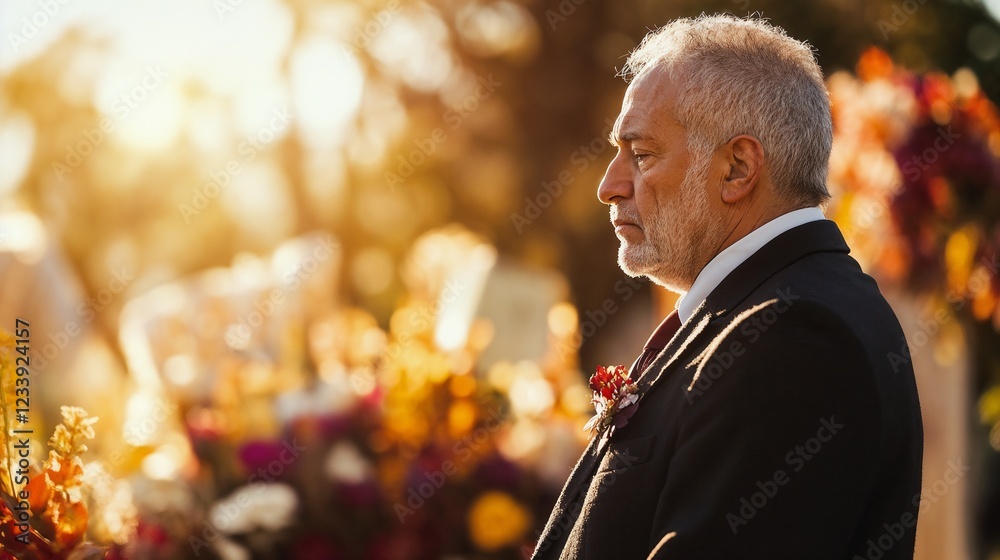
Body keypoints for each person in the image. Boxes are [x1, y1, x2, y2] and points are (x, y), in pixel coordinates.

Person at [531, 14, 923, 560]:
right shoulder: (775, 311)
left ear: (737, 168)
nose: (609, 186)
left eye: (641, 154)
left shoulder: (794, 335)